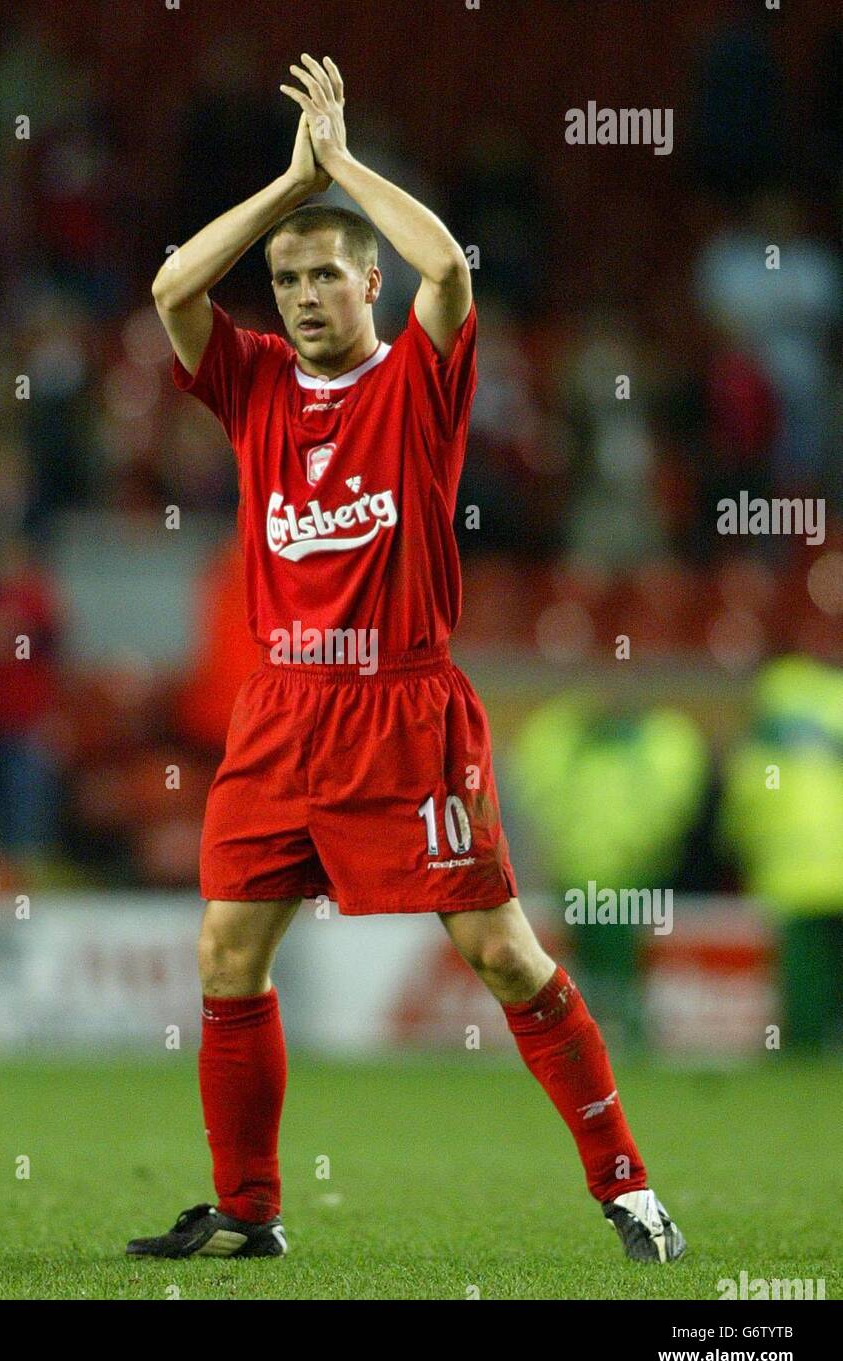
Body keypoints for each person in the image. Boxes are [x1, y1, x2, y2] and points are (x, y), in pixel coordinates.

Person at [129, 54, 684, 1264]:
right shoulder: (257, 383)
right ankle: (249, 1209)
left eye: (325, 272)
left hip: (401, 709)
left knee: (498, 950)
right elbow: (173, 285)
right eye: (284, 281)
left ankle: (627, 1186)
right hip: (279, 712)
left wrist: (344, 170)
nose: (301, 295)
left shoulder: (418, 380)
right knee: (227, 953)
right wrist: (287, 193)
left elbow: (447, 266)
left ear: (365, 280)